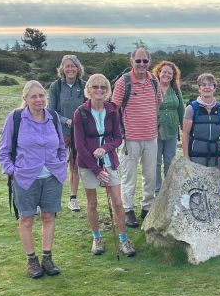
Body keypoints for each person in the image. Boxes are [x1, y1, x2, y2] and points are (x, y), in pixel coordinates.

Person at [0, 80, 67, 278]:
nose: (38, 100)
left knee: (49, 217)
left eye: (41, 95)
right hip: (25, 178)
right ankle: (32, 261)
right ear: (25, 99)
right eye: (33, 96)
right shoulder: (16, 118)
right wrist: (13, 171)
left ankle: (47, 258)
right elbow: (3, 151)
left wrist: (61, 164)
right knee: (26, 219)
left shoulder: (53, 116)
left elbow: (61, 146)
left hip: (52, 177)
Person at [73, 74, 136, 258]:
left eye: (103, 87)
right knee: (92, 203)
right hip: (88, 164)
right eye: (95, 87)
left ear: (107, 90)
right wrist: (96, 170)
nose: (99, 90)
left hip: (109, 161)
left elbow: (118, 138)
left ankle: (123, 238)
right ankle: (97, 237)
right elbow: (79, 146)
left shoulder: (112, 110)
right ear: (88, 90)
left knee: (117, 202)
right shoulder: (80, 113)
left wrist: (105, 148)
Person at [111, 47, 161, 228]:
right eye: (138, 60)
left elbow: (158, 103)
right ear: (131, 61)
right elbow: (114, 109)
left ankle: (147, 207)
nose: (141, 64)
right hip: (130, 138)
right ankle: (127, 210)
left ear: (149, 62)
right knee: (129, 176)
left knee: (150, 175)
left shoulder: (154, 81)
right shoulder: (123, 82)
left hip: (151, 137)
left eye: (145, 61)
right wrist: (116, 134)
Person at [48, 54, 87, 212]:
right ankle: (48, 199)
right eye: (67, 66)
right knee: (56, 166)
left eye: (73, 66)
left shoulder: (84, 86)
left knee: (75, 166)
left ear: (78, 68)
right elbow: (50, 111)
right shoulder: (56, 86)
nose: (70, 69)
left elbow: (88, 108)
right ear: (62, 69)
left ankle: (73, 199)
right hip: (60, 133)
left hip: (79, 133)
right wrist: (66, 120)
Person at [182, 73, 220, 174]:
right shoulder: (191, 109)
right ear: (199, 89)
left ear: (214, 88)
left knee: (215, 184)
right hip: (196, 156)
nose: (207, 87)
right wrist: (186, 158)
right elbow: (185, 134)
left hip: (216, 157)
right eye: (203, 85)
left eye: (210, 84)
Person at [151, 60, 185, 194]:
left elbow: (181, 110)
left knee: (170, 162)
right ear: (159, 73)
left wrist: (184, 130)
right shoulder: (152, 88)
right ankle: (157, 191)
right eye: (164, 72)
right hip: (155, 131)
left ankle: (169, 191)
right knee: (155, 163)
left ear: (173, 75)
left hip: (172, 130)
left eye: (170, 73)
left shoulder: (176, 90)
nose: (166, 75)